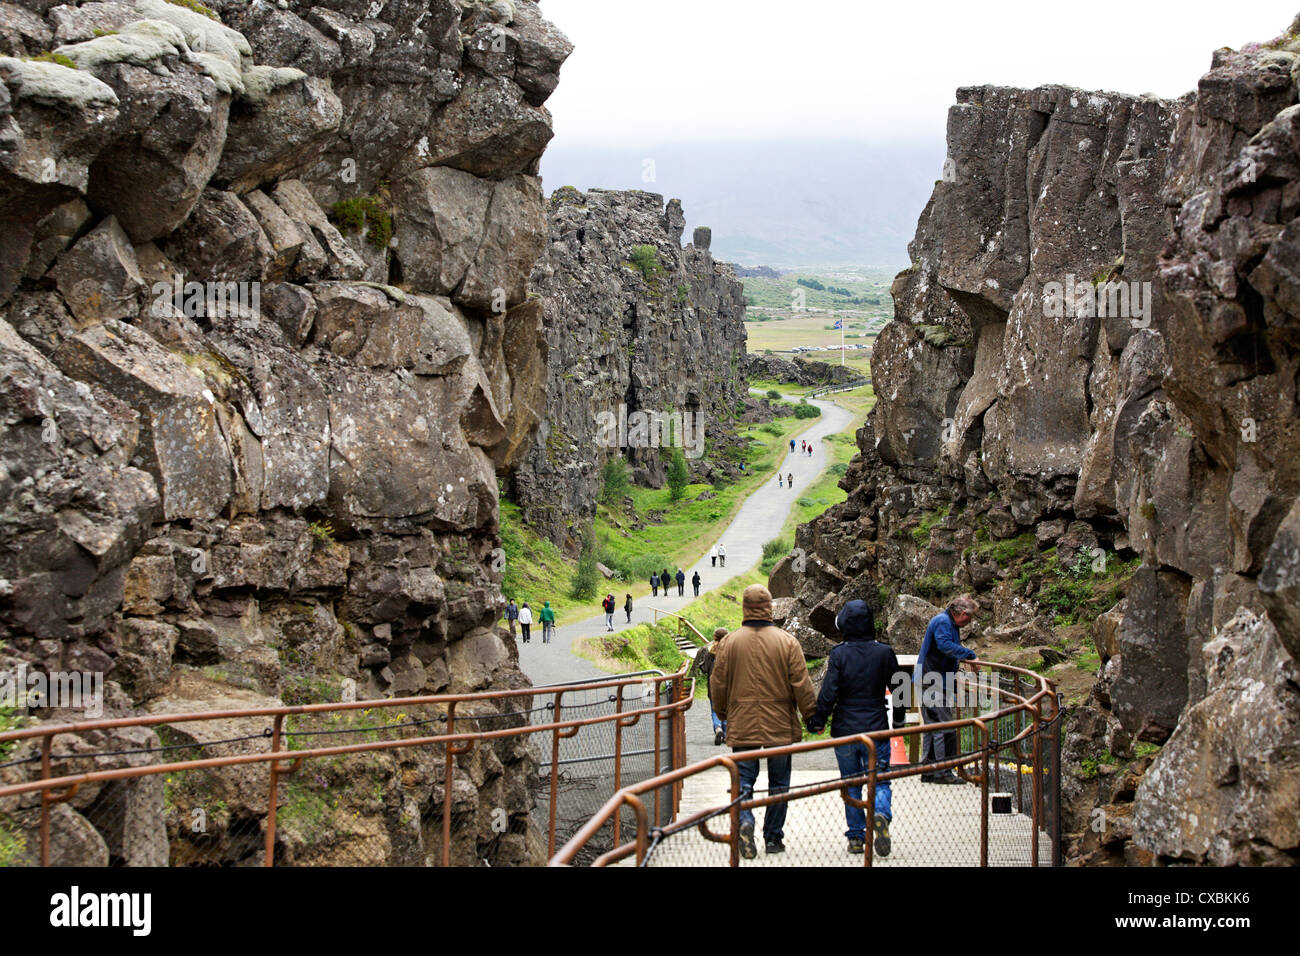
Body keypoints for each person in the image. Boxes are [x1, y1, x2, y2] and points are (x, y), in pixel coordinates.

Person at [710, 584, 817, 859]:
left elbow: (718, 685)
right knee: (779, 782)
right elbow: (801, 683)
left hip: (742, 721)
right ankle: (773, 838)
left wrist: (723, 715)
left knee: (744, 780)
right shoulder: (787, 641)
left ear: (745, 607)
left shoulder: (729, 643)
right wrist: (810, 715)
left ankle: (745, 821)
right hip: (779, 723)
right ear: (769, 606)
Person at [807, 600, 909, 857]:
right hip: (876, 727)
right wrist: (898, 720)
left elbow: (829, 692)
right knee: (881, 777)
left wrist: (818, 721)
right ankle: (881, 815)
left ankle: (855, 837)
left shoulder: (839, 654)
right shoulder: (884, 653)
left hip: (845, 729)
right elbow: (901, 688)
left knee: (851, 782)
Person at [915, 594, 980, 784]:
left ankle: (929, 770)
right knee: (944, 727)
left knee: (932, 726)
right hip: (932, 681)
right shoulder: (943, 622)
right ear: (960, 613)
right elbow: (945, 646)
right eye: (969, 617)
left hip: (930, 679)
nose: (970, 621)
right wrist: (970, 654)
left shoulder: (948, 623)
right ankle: (943, 771)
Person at [696, 627, 729, 746]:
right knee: (726, 710)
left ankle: (718, 728)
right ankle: (725, 735)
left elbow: (705, 669)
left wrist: (701, 666)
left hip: (712, 686)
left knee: (714, 710)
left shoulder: (710, 651)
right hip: (727, 686)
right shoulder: (729, 650)